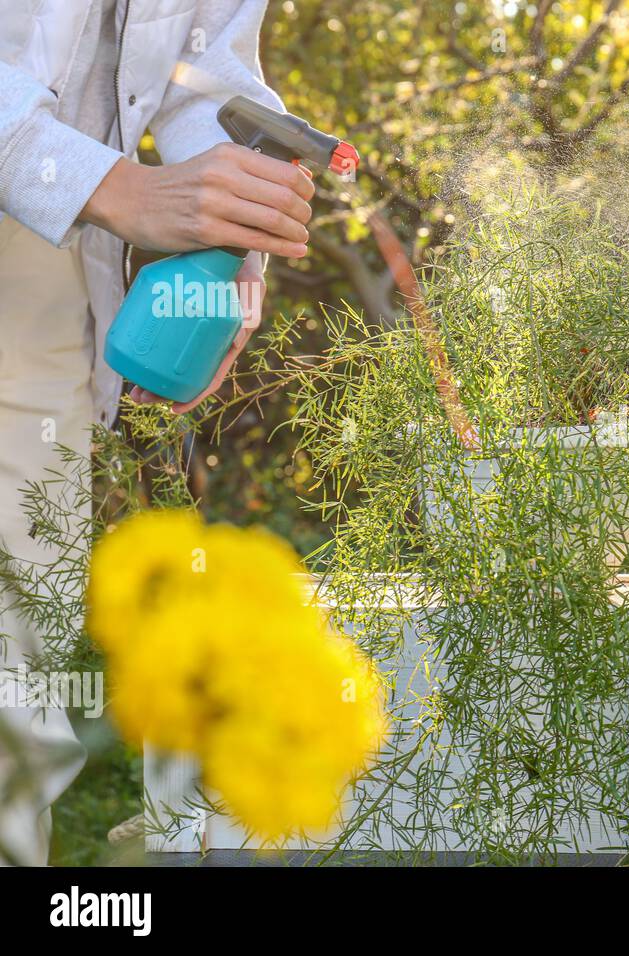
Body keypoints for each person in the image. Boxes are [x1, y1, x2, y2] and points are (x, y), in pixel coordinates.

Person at [0, 0, 310, 865]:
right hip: (72, 198)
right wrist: (117, 189)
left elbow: (204, 81)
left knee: (13, 704)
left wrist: (233, 225)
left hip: (45, 268)